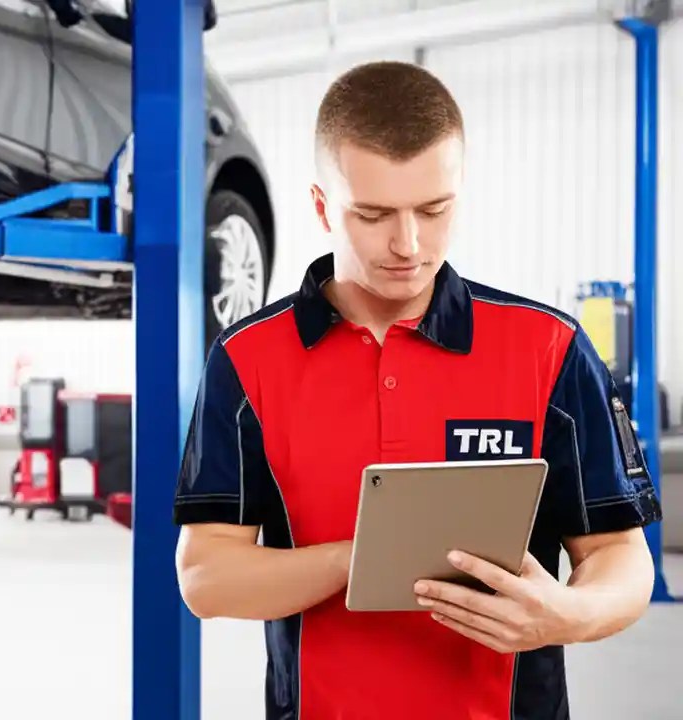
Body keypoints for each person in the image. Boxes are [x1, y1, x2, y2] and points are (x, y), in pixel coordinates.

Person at [172, 60, 662, 720]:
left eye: (433, 210)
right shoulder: (246, 360)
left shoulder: (548, 350)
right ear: (321, 206)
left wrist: (565, 614)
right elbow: (205, 576)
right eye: (372, 214)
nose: (407, 243)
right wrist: (364, 560)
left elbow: (620, 558)